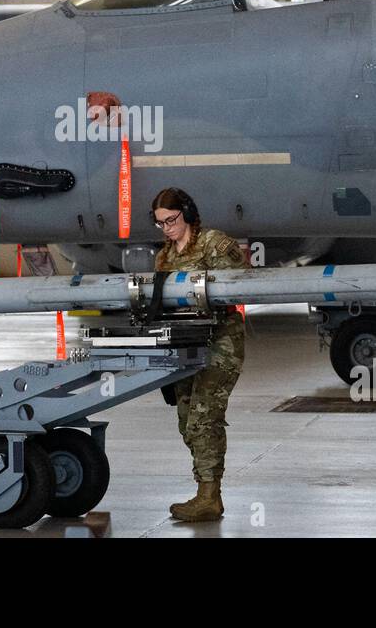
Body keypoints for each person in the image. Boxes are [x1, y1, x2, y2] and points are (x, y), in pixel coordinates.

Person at [151, 187, 249, 522]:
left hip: (221, 341)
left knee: (204, 418)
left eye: (172, 220)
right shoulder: (164, 256)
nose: (167, 228)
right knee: (186, 422)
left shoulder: (213, 243)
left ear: (188, 213)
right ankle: (205, 490)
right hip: (186, 344)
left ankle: (209, 496)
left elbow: (239, 283)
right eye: (160, 223)